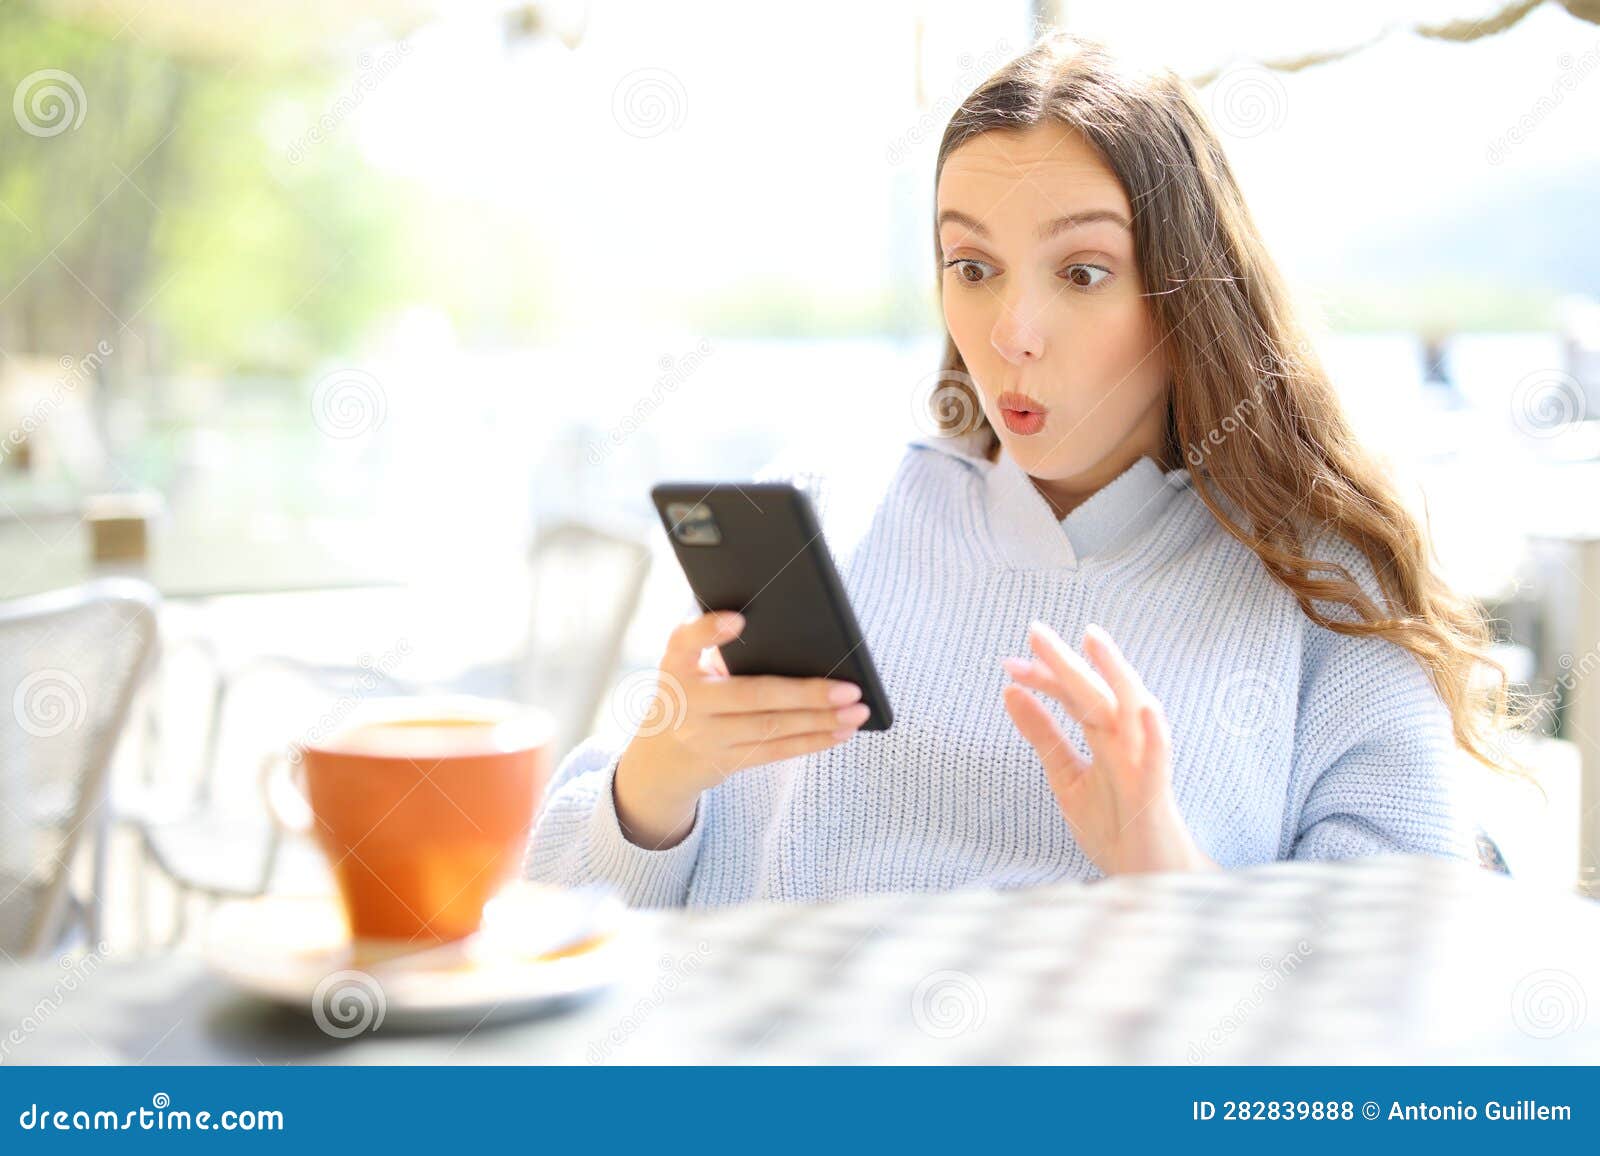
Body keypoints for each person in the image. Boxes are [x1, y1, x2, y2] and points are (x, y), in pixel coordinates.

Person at [524, 31, 1522, 907]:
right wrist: (655, 785)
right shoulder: (823, 512)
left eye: (1081, 272)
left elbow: (1409, 956)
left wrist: (1168, 874)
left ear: (1187, 291)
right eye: (972, 267)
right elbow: (553, 909)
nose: (1012, 333)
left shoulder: (1321, 585)